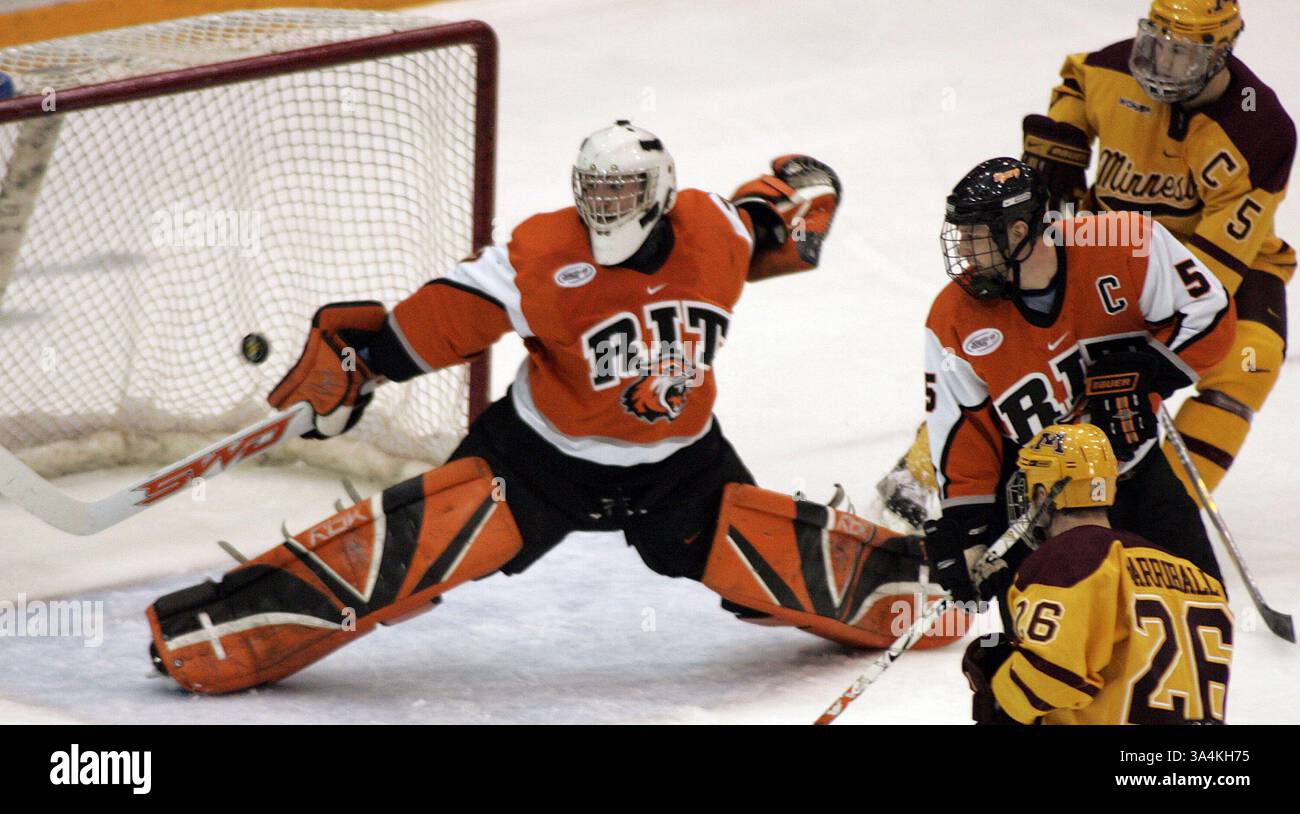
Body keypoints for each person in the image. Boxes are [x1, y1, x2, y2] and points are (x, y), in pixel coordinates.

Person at [144, 121, 960, 694]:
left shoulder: (712, 231)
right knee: (402, 553)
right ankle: (211, 630)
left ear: (662, 191)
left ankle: (936, 588)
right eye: (595, 191)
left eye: (624, 191)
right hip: (536, 462)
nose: (606, 206)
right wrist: (367, 361)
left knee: (773, 572)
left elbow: (776, 213)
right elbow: (447, 315)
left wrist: (800, 190)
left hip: (682, 467)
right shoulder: (541, 253)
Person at [920, 156, 1235, 613]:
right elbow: (963, 432)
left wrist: (1149, 371)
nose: (964, 251)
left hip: (1138, 473)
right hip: (1041, 503)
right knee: (1053, 653)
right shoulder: (952, 317)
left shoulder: (1126, 243)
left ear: (1017, 231)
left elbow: (1213, 318)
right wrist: (968, 529)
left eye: (974, 235)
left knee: (1201, 615)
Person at [1023, 0, 1294, 494]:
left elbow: (1210, 275)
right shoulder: (1114, 67)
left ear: (1222, 52)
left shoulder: (1260, 129)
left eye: (1183, 55)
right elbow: (1075, 83)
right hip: (1110, 240)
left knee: (1252, 359)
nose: (1161, 67)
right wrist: (1062, 147)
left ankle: (1164, 504)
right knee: (1025, 328)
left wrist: (1149, 350)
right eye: (1156, 45)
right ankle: (922, 471)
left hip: (1226, 261)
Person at [961, 423, 1233, 725]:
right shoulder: (1196, 577)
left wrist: (1000, 689)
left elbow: (1051, 680)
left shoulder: (1069, 559)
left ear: (1041, 494)